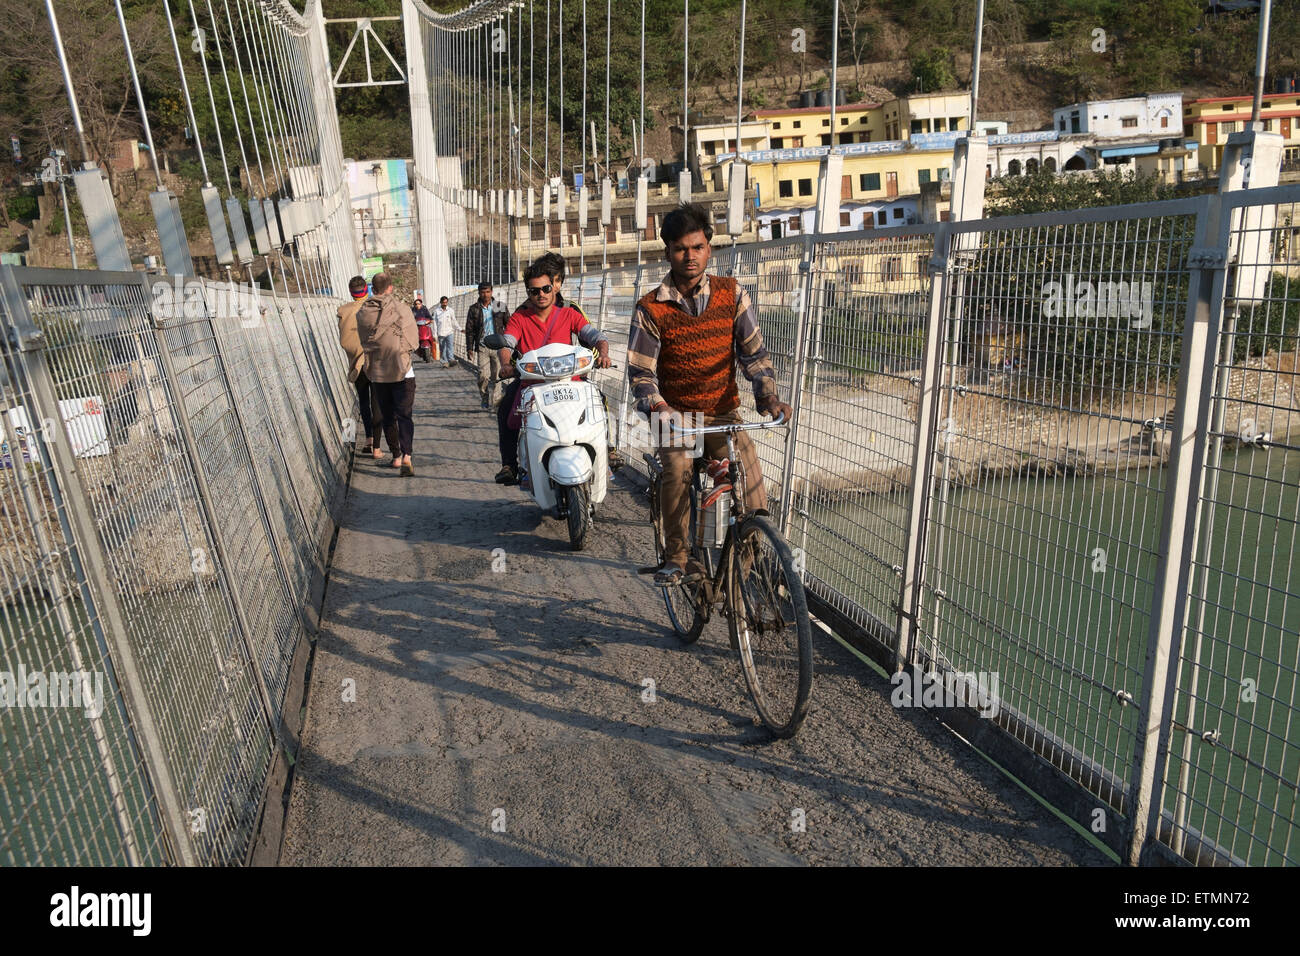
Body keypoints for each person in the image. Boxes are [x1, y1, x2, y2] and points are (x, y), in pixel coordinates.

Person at [627, 202, 793, 586]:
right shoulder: (651, 308)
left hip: (723, 413)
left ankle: (745, 569)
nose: (690, 256)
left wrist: (768, 398)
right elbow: (641, 372)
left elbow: (754, 355)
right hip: (677, 415)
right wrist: (661, 408)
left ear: (709, 248)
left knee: (751, 485)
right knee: (678, 471)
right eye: (681, 248)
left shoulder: (732, 294)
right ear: (666, 252)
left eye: (697, 247)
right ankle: (678, 558)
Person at [494, 256, 611, 485]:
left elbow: (593, 335)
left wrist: (603, 352)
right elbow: (507, 342)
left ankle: (609, 452)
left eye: (546, 288)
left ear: (554, 287)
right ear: (528, 292)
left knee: (599, 401)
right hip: (533, 383)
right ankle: (509, 464)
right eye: (534, 290)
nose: (541, 295)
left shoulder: (569, 313)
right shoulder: (519, 317)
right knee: (506, 406)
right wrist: (506, 364)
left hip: (571, 381)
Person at [356, 272, 418, 477]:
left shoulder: (363, 312)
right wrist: (400, 351)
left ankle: (396, 456)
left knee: (388, 416)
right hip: (403, 370)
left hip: (378, 372)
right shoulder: (403, 310)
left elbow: (364, 341)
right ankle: (407, 455)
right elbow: (413, 342)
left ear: (373, 289)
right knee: (405, 415)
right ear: (390, 287)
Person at [337, 274, 392, 460]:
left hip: (357, 365)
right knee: (377, 403)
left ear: (351, 292)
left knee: (363, 402)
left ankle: (368, 439)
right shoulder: (375, 307)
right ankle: (377, 448)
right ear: (367, 290)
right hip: (375, 362)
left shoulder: (343, 312)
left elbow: (345, 341)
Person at [464, 281, 502, 410]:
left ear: (491, 292)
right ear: (479, 293)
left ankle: (496, 402)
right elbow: (469, 330)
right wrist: (469, 348)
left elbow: (509, 324)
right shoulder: (474, 308)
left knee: (497, 376)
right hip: (482, 346)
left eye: (487, 292)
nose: (485, 294)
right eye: (482, 292)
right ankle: (484, 397)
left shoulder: (498, 306)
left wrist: (509, 343)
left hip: (498, 347)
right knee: (483, 375)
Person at [434, 295, 457, 368]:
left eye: (446, 302)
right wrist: (435, 334)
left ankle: (451, 360)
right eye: (443, 302)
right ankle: (445, 362)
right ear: (440, 302)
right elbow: (434, 323)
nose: (445, 304)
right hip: (441, 333)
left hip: (449, 332)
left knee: (450, 346)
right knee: (443, 348)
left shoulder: (451, 310)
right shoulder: (436, 311)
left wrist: (459, 328)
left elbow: (454, 321)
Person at [413, 296, 434, 363]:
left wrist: (430, 320)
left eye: (419, 303)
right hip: (416, 327)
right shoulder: (413, 310)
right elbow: (410, 317)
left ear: (421, 304)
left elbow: (430, 317)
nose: (417, 305)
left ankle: (430, 349)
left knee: (431, 335)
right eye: (416, 304)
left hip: (425, 326)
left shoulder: (424, 309)